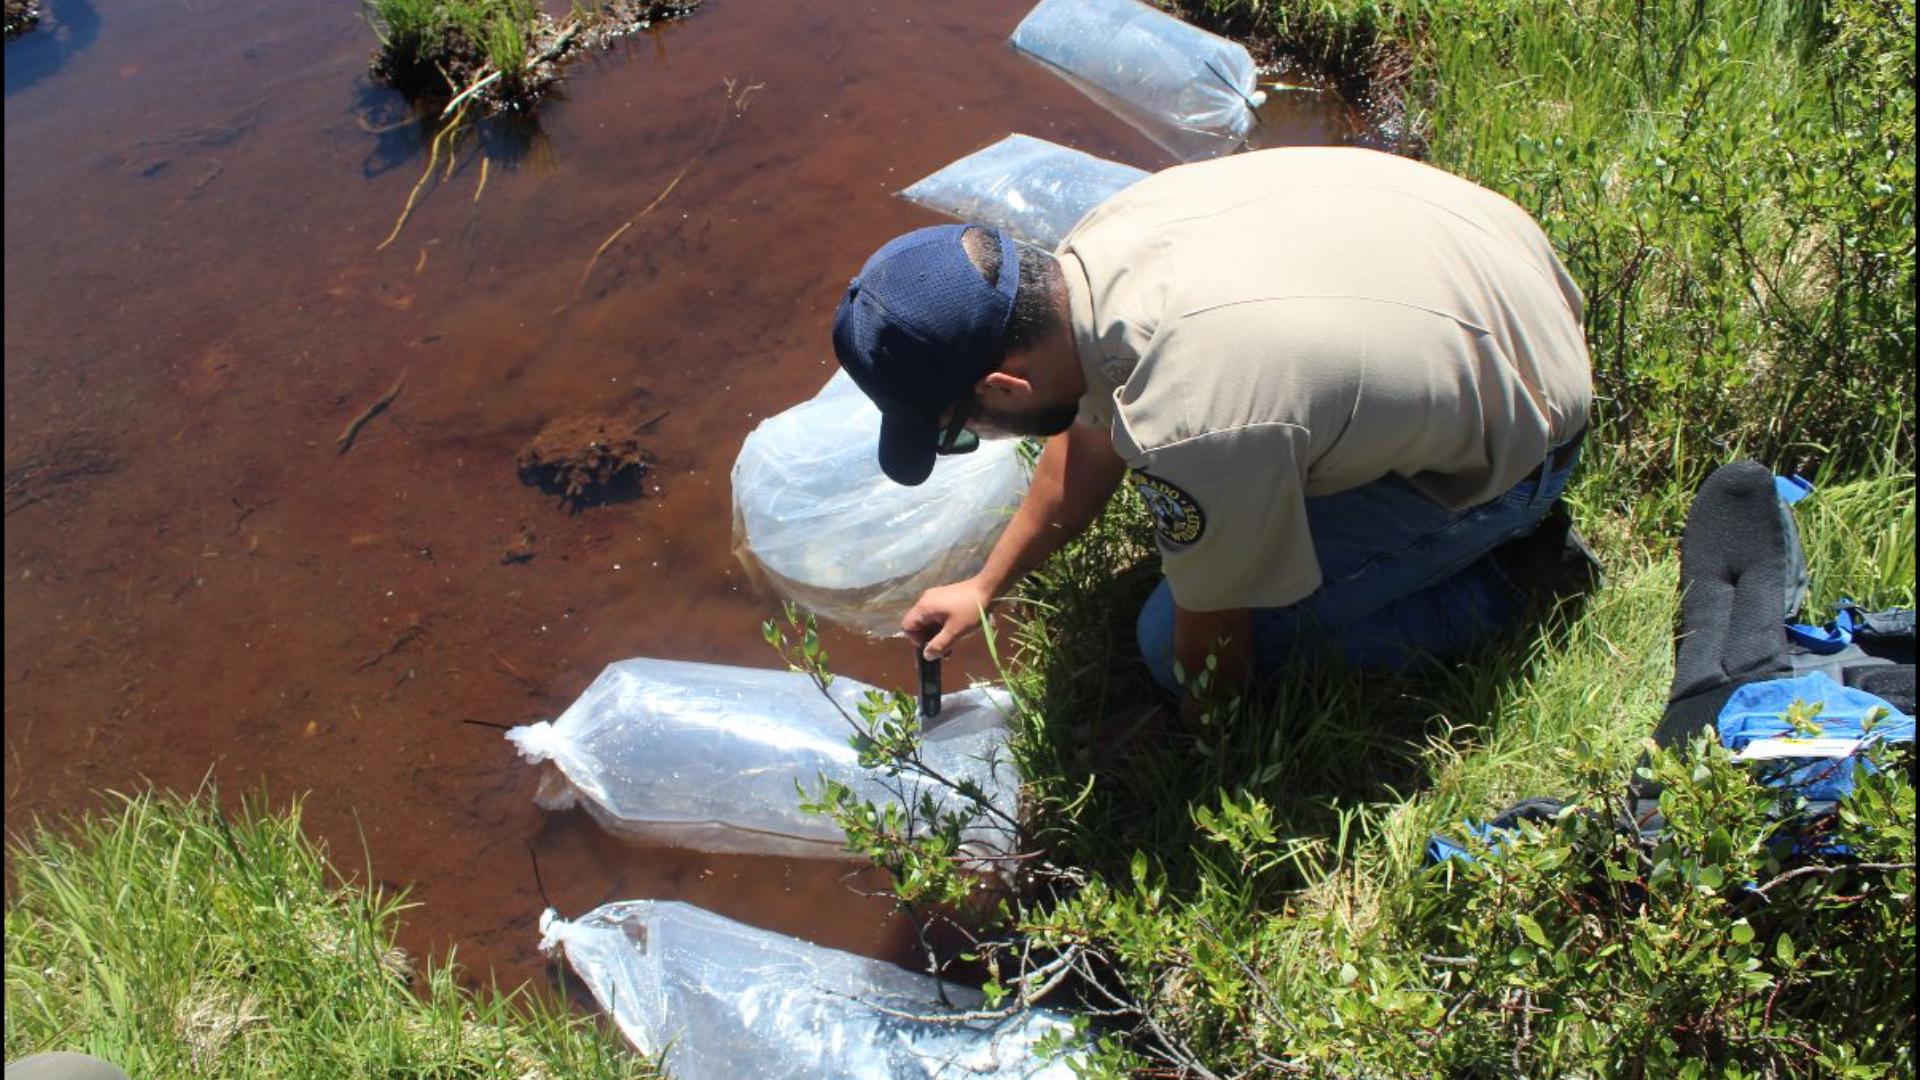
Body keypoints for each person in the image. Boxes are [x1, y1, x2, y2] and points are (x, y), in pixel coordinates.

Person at [831, 147, 1593, 711]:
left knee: (1167, 647)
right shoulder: (1091, 257)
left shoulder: (1190, 419)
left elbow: (1214, 641)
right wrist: (985, 584)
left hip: (1532, 431)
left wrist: (1188, 749)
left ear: (1005, 385)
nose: (977, 440)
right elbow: (1087, 434)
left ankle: (1513, 579)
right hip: (1506, 272)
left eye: (964, 431)